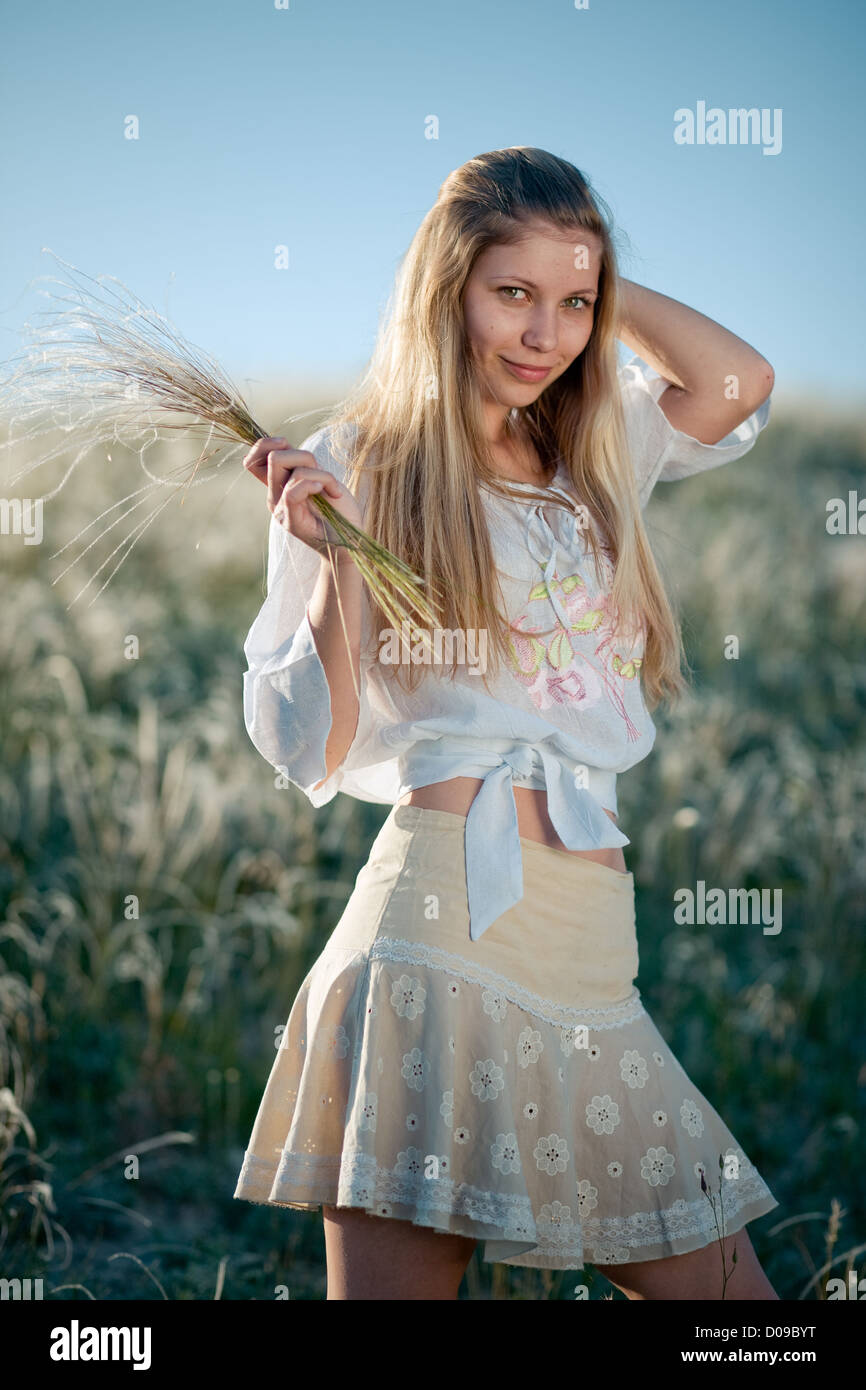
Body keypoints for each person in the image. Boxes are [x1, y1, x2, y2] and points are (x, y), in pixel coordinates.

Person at [234, 147, 779, 1301]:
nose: (544, 334)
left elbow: (736, 381)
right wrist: (338, 568)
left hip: (592, 954)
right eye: (510, 294)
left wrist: (602, 291)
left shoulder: (596, 447)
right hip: (436, 939)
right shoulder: (362, 462)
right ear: (448, 289)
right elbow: (307, 746)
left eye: (571, 302)